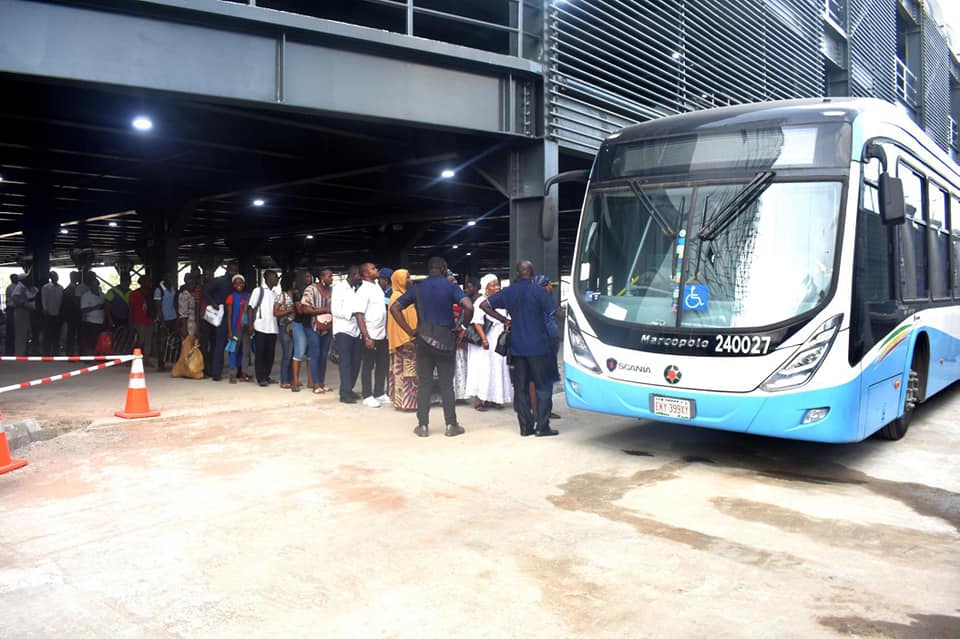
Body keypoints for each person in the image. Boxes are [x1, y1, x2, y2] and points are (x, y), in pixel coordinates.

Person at [390, 256, 474, 437]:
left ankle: (423, 426)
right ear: (443, 268)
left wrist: (410, 331)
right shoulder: (451, 287)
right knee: (446, 384)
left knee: (424, 383)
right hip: (446, 341)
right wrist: (461, 327)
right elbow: (468, 306)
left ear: (429, 269)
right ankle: (451, 425)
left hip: (423, 340)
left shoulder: (417, 288)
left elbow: (394, 308)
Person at [480, 261, 559, 437]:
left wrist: (504, 320)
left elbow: (484, 305)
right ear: (532, 273)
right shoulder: (539, 291)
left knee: (521, 388)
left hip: (517, 347)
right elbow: (555, 312)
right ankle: (542, 427)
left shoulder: (509, 292)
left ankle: (525, 427)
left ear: (517, 274)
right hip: (539, 346)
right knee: (543, 386)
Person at [465, 273, 513, 411]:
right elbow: (477, 323)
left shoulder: (501, 301)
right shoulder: (481, 302)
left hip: (499, 339)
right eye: (493, 285)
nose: (497, 287)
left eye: (497, 284)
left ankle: (496, 398)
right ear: (486, 288)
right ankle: (479, 400)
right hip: (486, 341)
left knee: (497, 367)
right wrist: (485, 340)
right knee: (484, 368)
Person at [355, 262, 390, 407]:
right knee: (368, 365)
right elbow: (359, 315)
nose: (377, 270)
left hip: (382, 334)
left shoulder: (377, 287)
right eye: (373, 268)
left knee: (382, 364)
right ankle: (367, 395)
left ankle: (379, 392)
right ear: (365, 274)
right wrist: (366, 337)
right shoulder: (363, 291)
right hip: (371, 334)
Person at [386, 268, 418, 411]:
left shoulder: (405, 296)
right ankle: (406, 404)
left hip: (410, 339)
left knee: (408, 375)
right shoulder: (396, 297)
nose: (410, 280)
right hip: (405, 342)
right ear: (399, 280)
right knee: (406, 375)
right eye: (407, 277)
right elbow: (396, 323)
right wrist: (406, 340)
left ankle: (405, 403)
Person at [201, 262, 239, 381]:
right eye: (231, 269)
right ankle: (216, 372)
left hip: (234, 314)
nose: (233, 272)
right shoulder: (218, 281)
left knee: (235, 343)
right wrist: (212, 303)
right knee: (220, 343)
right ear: (227, 269)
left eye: (235, 270)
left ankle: (236, 371)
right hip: (221, 314)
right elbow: (205, 291)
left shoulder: (237, 283)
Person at [332, 265, 363, 403]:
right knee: (345, 362)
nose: (360, 278)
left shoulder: (358, 289)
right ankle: (345, 394)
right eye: (359, 275)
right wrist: (352, 314)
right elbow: (335, 310)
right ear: (353, 274)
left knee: (356, 362)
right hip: (343, 330)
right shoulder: (339, 288)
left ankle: (348, 389)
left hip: (356, 331)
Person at [533, 275, 562, 420]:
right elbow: (560, 314)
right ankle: (541, 413)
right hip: (546, 343)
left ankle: (545, 410)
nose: (552, 288)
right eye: (551, 285)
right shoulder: (543, 301)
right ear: (545, 286)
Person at [249, 270, 279, 387]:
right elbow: (251, 308)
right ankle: (260, 377)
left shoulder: (275, 293)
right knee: (260, 353)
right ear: (267, 278)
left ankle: (266, 375)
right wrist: (251, 325)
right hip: (261, 326)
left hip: (273, 328)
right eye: (275, 277)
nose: (277, 279)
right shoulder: (259, 291)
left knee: (270, 353)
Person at [290, 270, 316, 392]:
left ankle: (311, 381)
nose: (308, 278)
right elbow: (300, 311)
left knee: (311, 354)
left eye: (310, 276)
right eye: (306, 276)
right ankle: (295, 381)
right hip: (299, 324)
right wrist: (315, 309)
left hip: (310, 324)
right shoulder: (297, 293)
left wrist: (312, 309)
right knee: (299, 353)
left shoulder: (313, 291)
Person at [453, 278, 477, 402]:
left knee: (460, 365)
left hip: (459, 339)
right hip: (448, 339)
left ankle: (461, 395)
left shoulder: (463, 303)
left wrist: (461, 330)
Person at [311, 268, 335, 394]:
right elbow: (305, 309)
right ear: (322, 277)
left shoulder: (332, 290)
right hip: (314, 325)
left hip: (328, 326)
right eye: (329, 276)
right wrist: (324, 310)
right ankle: (315, 384)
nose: (331, 279)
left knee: (324, 355)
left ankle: (321, 383)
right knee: (315, 354)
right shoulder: (311, 289)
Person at [224, 273, 251, 383]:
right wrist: (230, 330)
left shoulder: (248, 296)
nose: (239, 285)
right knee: (233, 351)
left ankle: (244, 373)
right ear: (233, 285)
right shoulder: (231, 298)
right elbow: (229, 316)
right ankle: (232, 374)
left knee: (246, 352)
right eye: (236, 283)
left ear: (244, 284)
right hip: (236, 328)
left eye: (241, 283)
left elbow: (251, 312)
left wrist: (251, 325)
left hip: (246, 327)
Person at [274, 273, 296, 389]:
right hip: (285, 328)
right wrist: (288, 311)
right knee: (287, 354)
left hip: (295, 327)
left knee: (294, 354)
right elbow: (276, 313)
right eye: (294, 281)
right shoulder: (280, 297)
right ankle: (284, 379)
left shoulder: (296, 295)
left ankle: (292, 378)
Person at [154, 273, 179, 369]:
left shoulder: (173, 289)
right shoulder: (158, 290)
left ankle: (171, 361)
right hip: (163, 319)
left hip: (172, 317)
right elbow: (158, 307)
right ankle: (161, 363)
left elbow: (175, 304)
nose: (171, 279)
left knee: (172, 341)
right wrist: (162, 321)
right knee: (162, 341)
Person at [79, 271, 106, 355]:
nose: (96, 286)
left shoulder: (102, 295)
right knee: (90, 341)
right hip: (90, 322)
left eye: (97, 284)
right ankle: (89, 357)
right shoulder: (86, 296)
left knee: (99, 341)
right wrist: (95, 307)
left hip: (101, 321)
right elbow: (83, 310)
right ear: (90, 286)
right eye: (94, 284)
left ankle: (97, 356)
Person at [128, 275, 154, 361]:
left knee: (148, 341)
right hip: (138, 320)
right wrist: (131, 321)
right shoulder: (134, 294)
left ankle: (146, 359)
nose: (149, 283)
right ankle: (135, 358)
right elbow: (131, 308)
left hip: (149, 319)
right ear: (142, 283)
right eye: (147, 281)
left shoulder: (151, 294)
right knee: (140, 340)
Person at [41, 271, 64, 356]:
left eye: (57, 275)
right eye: (54, 276)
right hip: (49, 314)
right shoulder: (46, 287)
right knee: (47, 334)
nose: (56, 277)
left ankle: (56, 352)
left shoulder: (61, 287)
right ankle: (46, 352)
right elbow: (44, 299)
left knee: (57, 334)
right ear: (51, 277)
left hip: (58, 314)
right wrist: (45, 310)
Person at [61, 271, 84, 355]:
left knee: (80, 335)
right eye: (76, 277)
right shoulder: (67, 290)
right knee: (71, 335)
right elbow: (64, 305)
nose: (77, 278)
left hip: (78, 315)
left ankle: (80, 353)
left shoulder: (79, 289)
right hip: (71, 316)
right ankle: (70, 353)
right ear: (72, 278)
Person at [177, 273, 198, 339]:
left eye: (193, 283)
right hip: (188, 324)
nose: (192, 285)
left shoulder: (193, 294)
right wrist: (184, 328)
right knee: (188, 345)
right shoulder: (184, 295)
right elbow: (183, 314)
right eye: (190, 283)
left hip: (194, 322)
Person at [4, 274, 17, 353]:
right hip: (11, 309)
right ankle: (9, 349)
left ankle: (12, 349)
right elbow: (11, 300)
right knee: (11, 330)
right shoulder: (10, 288)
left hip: (14, 309)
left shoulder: (17, 287)